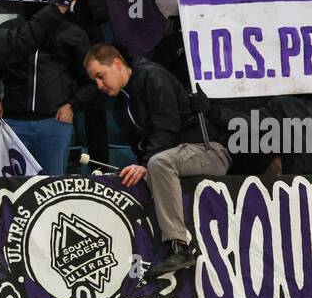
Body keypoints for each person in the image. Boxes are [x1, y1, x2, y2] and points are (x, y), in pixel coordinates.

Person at [83, 44, 230, 277]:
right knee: (137, 172)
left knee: (158, 163)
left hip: (207, 150)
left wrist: (145, 163)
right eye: (94, 81)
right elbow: (144, 148)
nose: (99, 85)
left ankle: (179, 247)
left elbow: (167, 126)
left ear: (118, 64)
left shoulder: (152, 76)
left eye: (101, 76)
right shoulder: (120, 105)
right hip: (172, 156)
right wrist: (141, 164)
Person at [0, 0, 93, 175]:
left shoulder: (73, 34)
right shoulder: (9, 29)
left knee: (50, 191)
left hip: (54, 122)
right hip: (13, 122)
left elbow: (91, 81)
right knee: (8, 189)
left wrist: (73, 105)